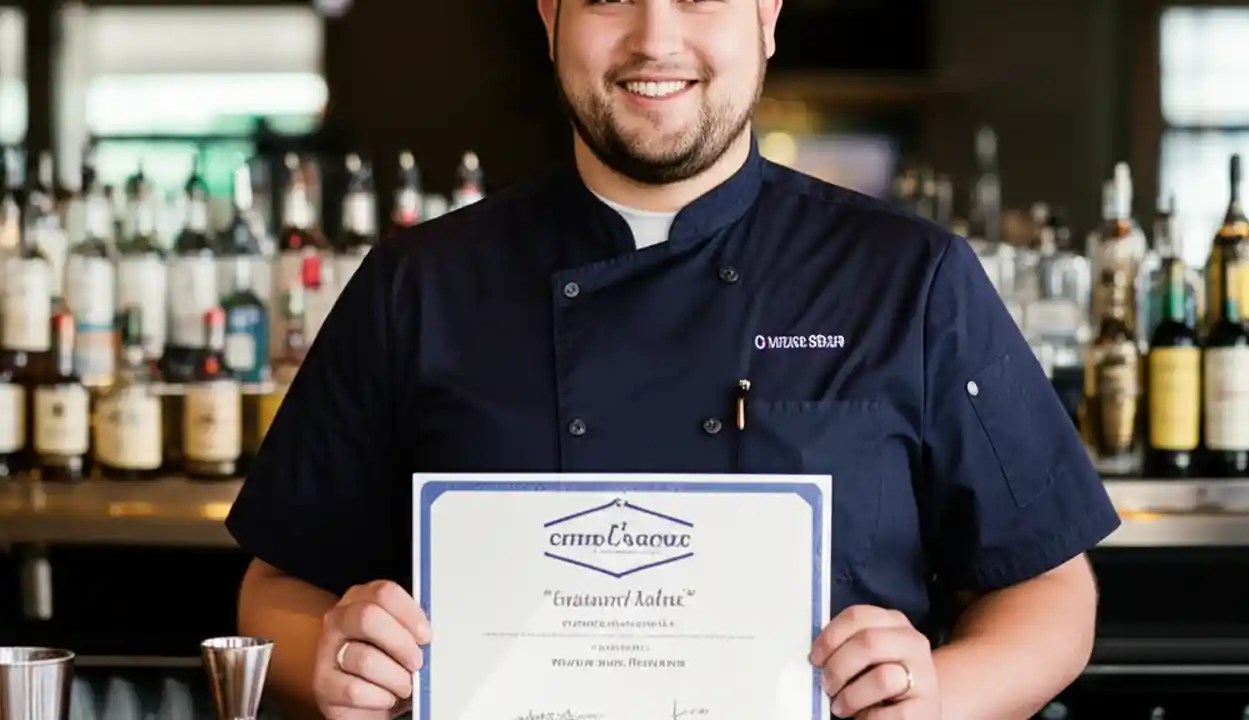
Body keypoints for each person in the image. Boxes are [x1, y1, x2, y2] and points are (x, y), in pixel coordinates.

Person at [227, 1, 1121, 718]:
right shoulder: (414, 286)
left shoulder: (911, 278)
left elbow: (1051, 595)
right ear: (550, 18)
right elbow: (276, 587)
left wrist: (940, 698)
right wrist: (330, 655)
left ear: (768, 14)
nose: (656, 38)